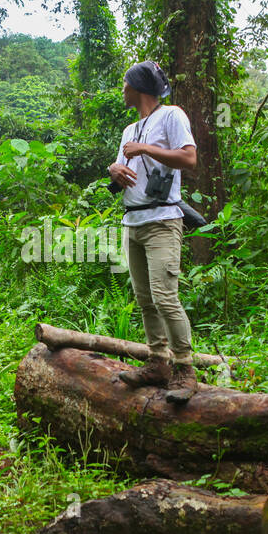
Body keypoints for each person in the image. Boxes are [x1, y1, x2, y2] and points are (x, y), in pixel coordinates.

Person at [107, 60, 198, 402]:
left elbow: (189, 159)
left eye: (126, 84)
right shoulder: (129, 130)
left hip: (162, 220)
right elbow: (122, 173)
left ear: (140, 88)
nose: (123, 90)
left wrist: (146, 149)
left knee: (165, 297)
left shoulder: (172, 115)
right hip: (133, 221)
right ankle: (158, 361)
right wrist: (114, 169)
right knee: (145, 299)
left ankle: (185, 369)